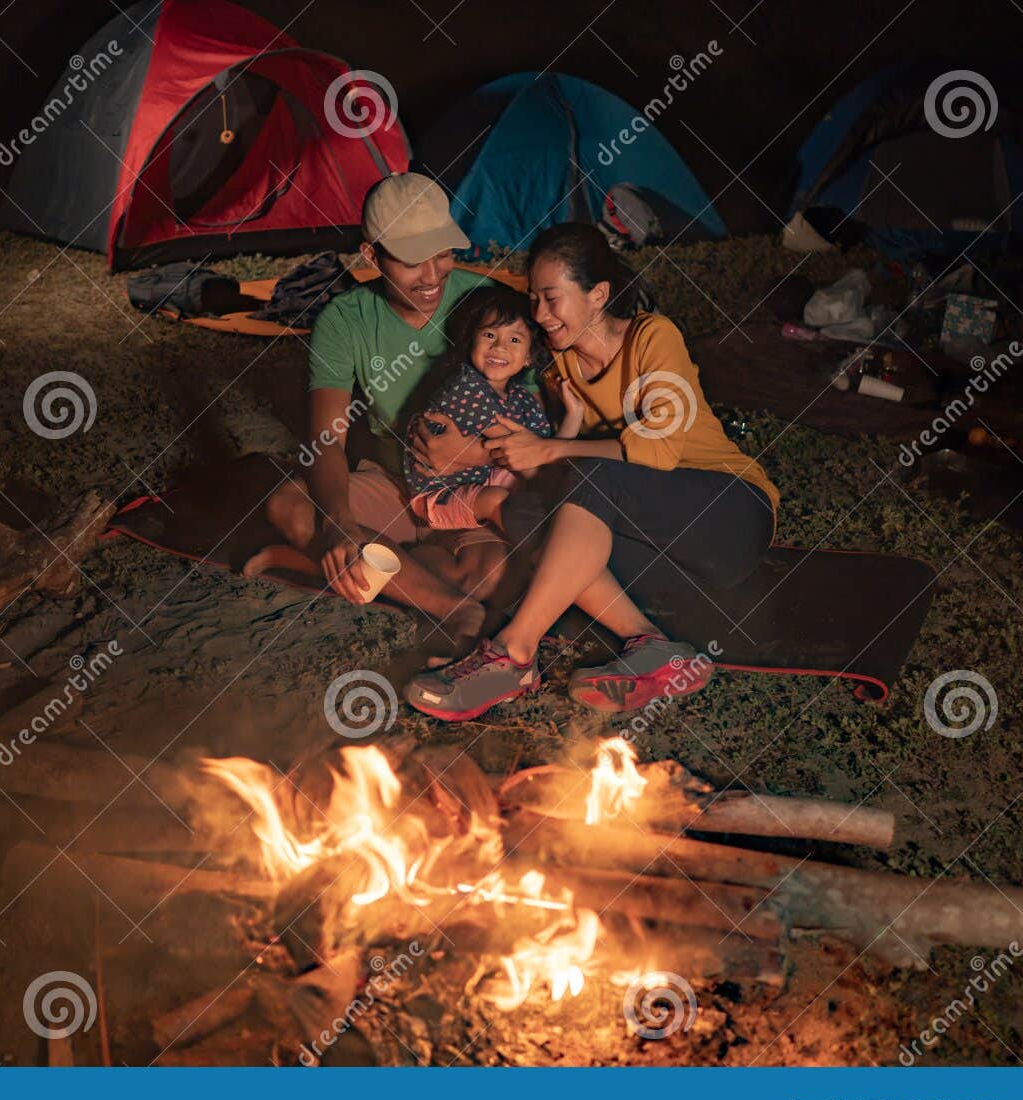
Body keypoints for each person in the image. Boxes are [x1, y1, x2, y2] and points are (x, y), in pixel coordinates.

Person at [405, 223, 780, 721]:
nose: (539, 314)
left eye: (552, 298)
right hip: (659, 550)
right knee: (528, 508)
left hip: (729, 517)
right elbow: (544, 454)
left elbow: (661, 450)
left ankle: (514, 653)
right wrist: (464, 450)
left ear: (598, 295)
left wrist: (552, 449)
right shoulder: (560, 365)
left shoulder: (652, 336)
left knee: (588, 473)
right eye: (533, 298)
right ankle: (649, 646)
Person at [259, 173, 521, 654]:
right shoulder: (345, 320)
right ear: (371, 257)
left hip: (472, 485)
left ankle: (356, 566)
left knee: (491, 575)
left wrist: (470, 455)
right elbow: (327, 441)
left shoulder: (486, 305)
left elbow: (529, 424)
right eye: (411, 261)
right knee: (293, 506)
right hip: (395, 483)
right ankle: (455, 608)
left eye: (443, 254)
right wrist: (339, 519)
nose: (432, 276)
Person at [401, 284, 583, 598]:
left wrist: (574, 415)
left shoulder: (522, 399)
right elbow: (530, 458)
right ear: (471, 340)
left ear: (528, 357)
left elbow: (545, 453)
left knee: (532, 488)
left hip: (482, 478)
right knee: (500, 497)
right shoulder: (465, 387)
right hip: (438, 494)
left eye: (514, 340)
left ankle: (558, 548)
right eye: (489, 336)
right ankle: (547, 559)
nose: (499, 347)